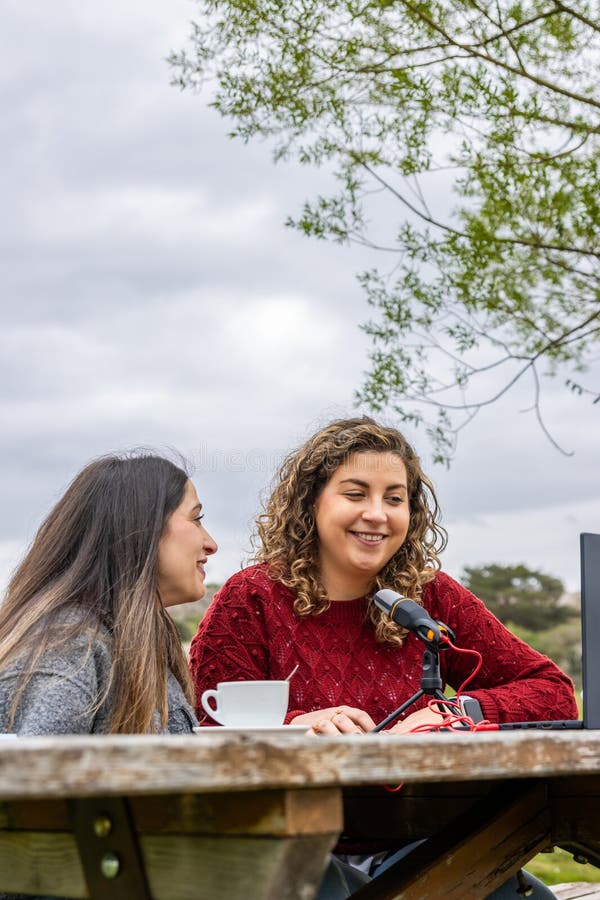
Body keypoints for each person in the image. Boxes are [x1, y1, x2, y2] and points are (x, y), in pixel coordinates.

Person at [190, 416, 577, 898]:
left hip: (428, 838)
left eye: (394, 498)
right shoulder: (252, 597)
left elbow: (553, 693)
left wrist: (450, 714)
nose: (377, 514)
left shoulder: (431, 595)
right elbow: (207, 730)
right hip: (293, 849)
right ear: (311, 503)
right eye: (355, 494)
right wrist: (298, 723)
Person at [0, 452, 217, 736]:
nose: (211, 544)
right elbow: (30, 776)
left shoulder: (135, 642)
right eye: (196, 518)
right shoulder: (69, 647)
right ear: (141, 526)